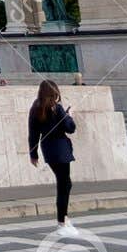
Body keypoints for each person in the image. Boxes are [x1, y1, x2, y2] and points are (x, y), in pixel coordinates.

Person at [28, 77, 80, 236]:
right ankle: (61, 222)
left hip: (48, 149)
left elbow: (33, 134)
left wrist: (33, 154)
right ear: (53, 93)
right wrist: (69, 115)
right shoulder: (56, 109)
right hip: (60, 149)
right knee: (65, 184)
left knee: (64, 183)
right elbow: (70, 128)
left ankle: (64, 218)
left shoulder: (35, 108)